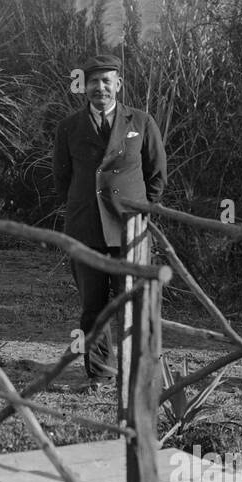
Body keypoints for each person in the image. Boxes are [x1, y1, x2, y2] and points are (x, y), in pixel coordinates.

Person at [52, 54, 167, 391]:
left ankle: (138, 374)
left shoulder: (141, 122)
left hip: (129, 230)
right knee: (93, 306)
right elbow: (62, 178)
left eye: (106, 81)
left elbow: (157, 176)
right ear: (83, 86)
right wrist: (83, 207)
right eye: (93, 81)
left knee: (134, 303)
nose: (99, 87)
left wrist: (138, 213)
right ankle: (101, 373)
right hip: (85, 229)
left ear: (118, 84)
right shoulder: (69, 127)